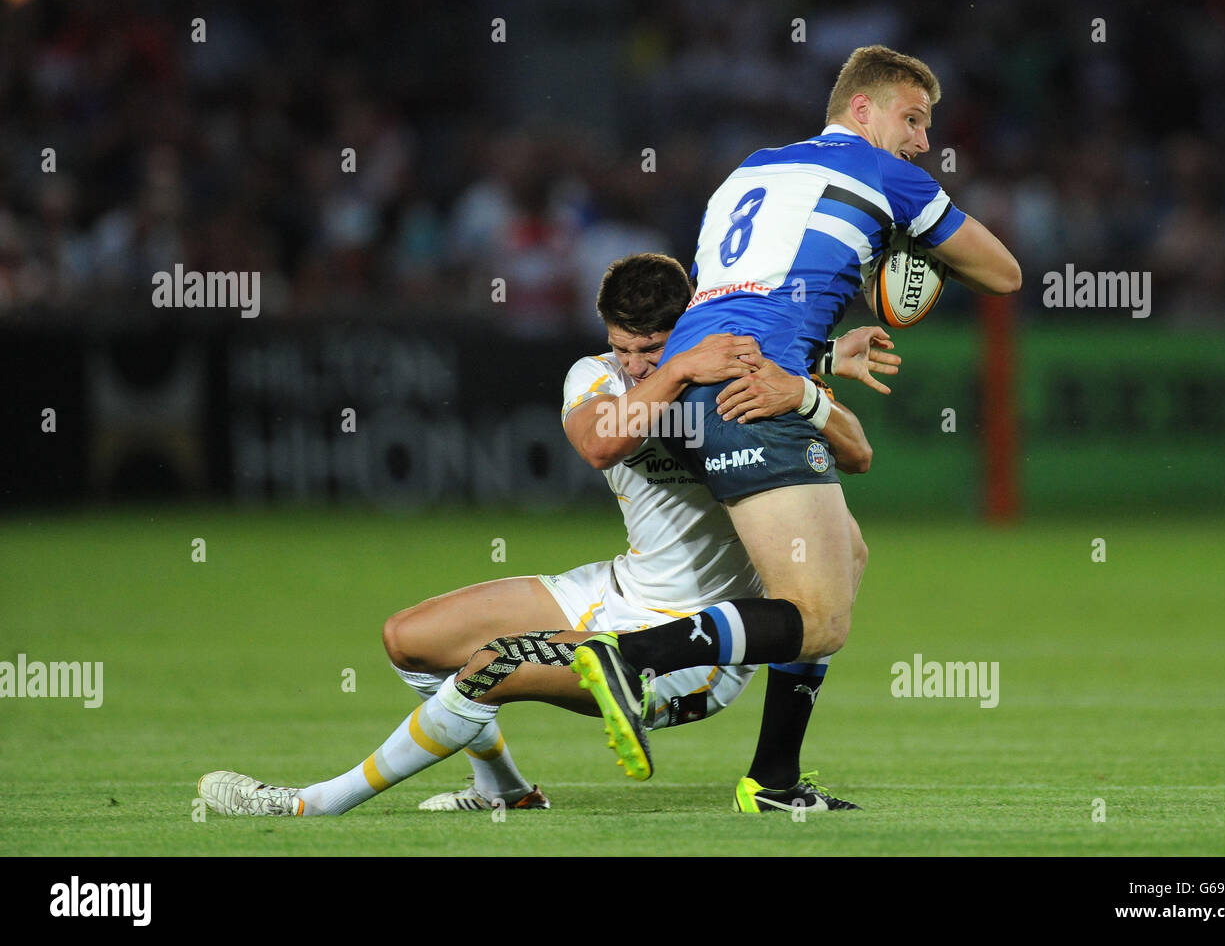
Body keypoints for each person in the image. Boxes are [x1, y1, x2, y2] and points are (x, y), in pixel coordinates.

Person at [198, 253, 895, 816]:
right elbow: (599, 444)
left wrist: (805, 388)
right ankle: (505, 790)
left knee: (489, 666)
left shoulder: (744, 377)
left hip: (689, 649)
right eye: (624, 348)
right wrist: (677, 369)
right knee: (408, 641)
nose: (634, 365)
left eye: (652, 348)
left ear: (690, 324)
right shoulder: (596, 377)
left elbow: (858, 454)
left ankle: (314, 804)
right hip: (616, 587)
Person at [570, 45, 1021, 781]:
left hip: (688, 391)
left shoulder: (750, 169)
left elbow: (753, 289)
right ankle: (627, 658)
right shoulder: (890, 177)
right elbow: (1004, 273)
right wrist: (905, 238)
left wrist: (812, 360)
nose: (923, 141)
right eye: (913, 119)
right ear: (863, 109)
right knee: (820, 617)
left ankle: (775, 778)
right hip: (750, 393)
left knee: (847, 555)